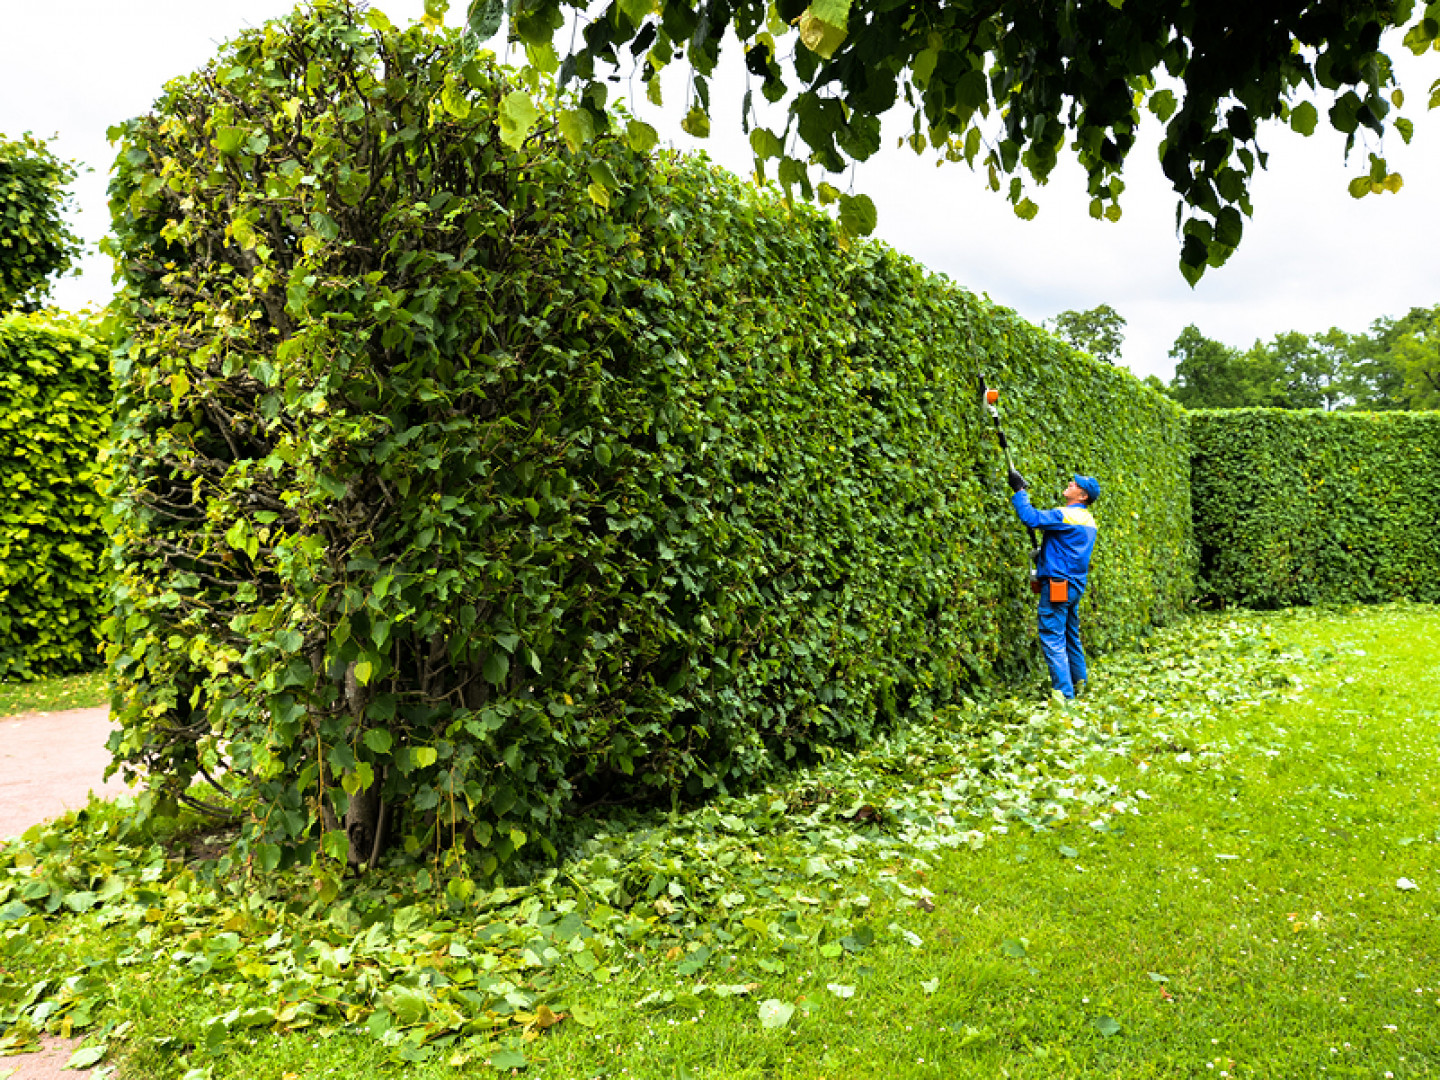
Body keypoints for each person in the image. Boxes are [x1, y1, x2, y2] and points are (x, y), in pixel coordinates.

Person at [1006, 469, 1101, 699]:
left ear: (1083, 497)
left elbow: (1031, 518)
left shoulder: (1066, 515)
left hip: (1058, 585)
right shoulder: (1089, 521)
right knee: (1070, 636)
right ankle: (1080, 685)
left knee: (1052, 636)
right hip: (1075, 586)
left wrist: (1019, 491)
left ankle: (1065, 696)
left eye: (1076, 484)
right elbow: (1066, 550)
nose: (1071, 483)